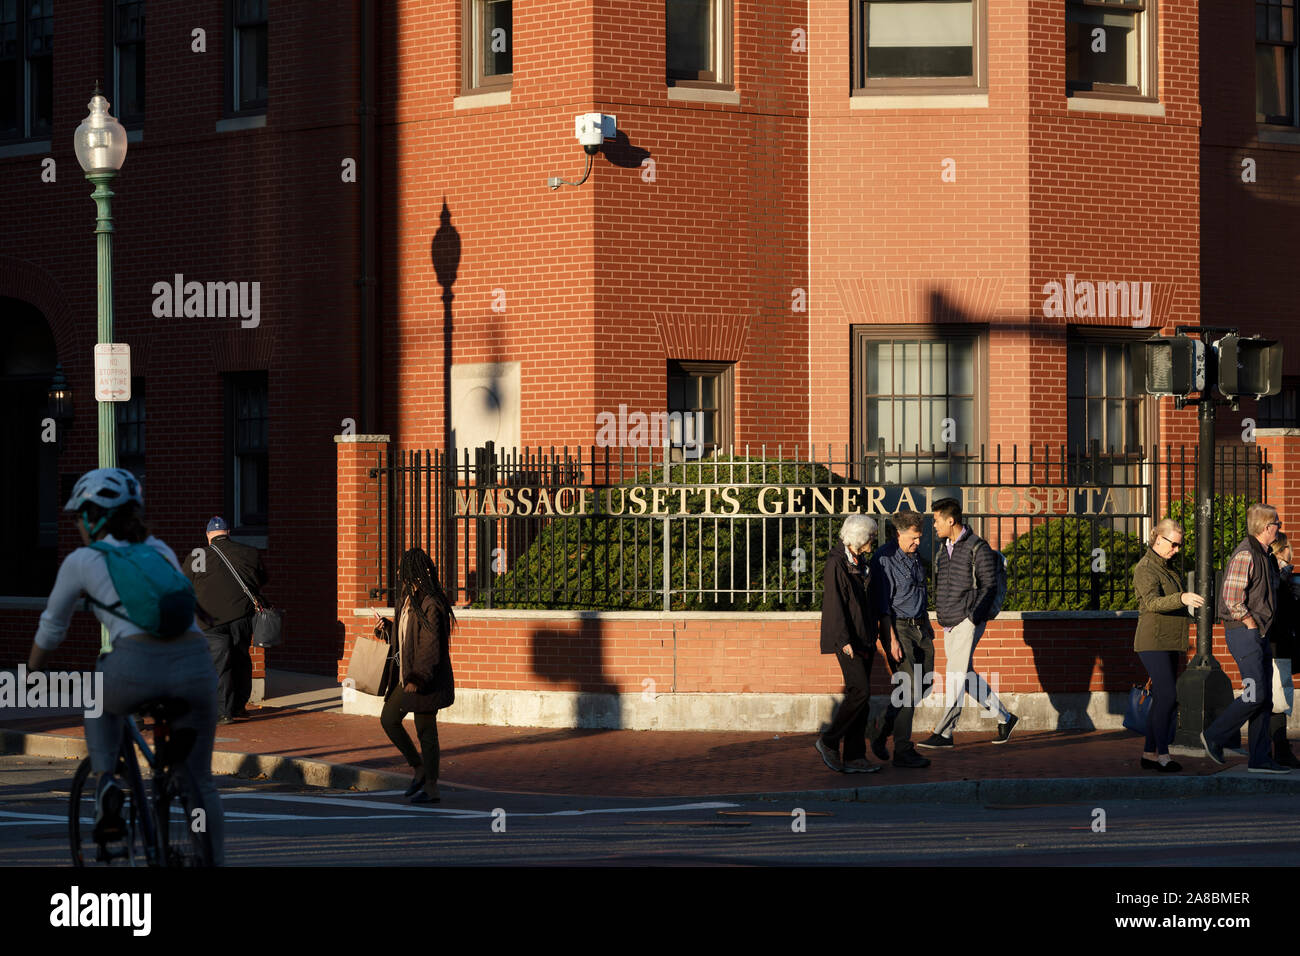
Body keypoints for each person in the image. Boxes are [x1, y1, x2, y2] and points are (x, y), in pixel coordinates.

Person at [25, 468, 224, 864]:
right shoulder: (160, 550)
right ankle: (212, 858)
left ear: (89, 517)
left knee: (99, 688)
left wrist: (32, 674)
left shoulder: (82, 560)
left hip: (134, 668)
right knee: (200, 780)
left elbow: (51, 628)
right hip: (198, 667)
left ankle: (105, 782)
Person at [918, 497, 1018, 748]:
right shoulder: (944, 549)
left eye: (937, 520)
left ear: (951, 520)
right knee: (964, 674)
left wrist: (973, 617)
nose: (934, 525)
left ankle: (944, 732)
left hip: (967, 620)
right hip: (949, 620)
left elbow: (989, 585)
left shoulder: (977, 547)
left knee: (954, 675)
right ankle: (1005, 717)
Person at [1201, 503, 1292, 773]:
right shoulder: (1246, 554)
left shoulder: (1264, 554)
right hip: (1244, 633)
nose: (1280, 527)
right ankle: (1214, 735)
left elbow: (1266, 590)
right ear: (1266, 527)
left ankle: (1260, 759)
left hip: (1259, 634)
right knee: (1255, 694)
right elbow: (1231, 598)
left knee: (1264, 699)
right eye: (1277, 523)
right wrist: (1250, 622)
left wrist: (1284, 574)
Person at [376, 548, 456, 803]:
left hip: (425, 678)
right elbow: (406, 638)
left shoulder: (431, 602)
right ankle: (419, 768)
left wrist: (418, 678)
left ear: (414, 571)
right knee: (389, 718)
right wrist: (386, 627)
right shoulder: (407, 598)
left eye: (403, 568)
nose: (399, 572)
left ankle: (431, 786)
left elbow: (430, 645)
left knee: (426, 730)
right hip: (406, 675)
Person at [1131, 518, 1204, 772]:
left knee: (1163, 697)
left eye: (1179, 545)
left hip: (1171, 640)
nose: (1177, 550)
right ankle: (1163, 754)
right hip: (1153, 640)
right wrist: (1182, 597)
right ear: (1159, 539)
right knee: (1168, 697)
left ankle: (1149, 754)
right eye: (1173, 544)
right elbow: (1151, 603)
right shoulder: (1145, 568)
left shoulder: (1168, 567)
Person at [183, 516, 268, 723]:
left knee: (220, 664)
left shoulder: (199, 555)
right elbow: (262, 580)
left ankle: (223, 711)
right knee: (241, 659)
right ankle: (239, 706)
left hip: (210, 622)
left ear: (208, 535)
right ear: (228, 533)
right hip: (242, 618)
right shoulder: (249, 553)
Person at [816, 514, 881, 773]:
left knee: (862, 699)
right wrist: (843, 640)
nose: (873, 540)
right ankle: (829, 740)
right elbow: (834, 604)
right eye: (871, 536)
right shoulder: (836, 563)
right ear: (860, 538)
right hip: (848, 640)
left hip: (864, 636)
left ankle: (855, 756)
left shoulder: (859, 560)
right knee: (860, 691)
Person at [868, 510, 933, 769]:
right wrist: (891, 639)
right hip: (899, 628)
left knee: (924, 684)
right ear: (899, 533)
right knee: (908, 688)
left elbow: (920, 589)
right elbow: (882, 605)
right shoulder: (884, 559)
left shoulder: (914, 556)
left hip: (920, 628)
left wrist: (926, 621)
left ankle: (880, 730)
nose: (918, 542)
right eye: (914, 537)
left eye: (920, 537)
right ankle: (903, 750)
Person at [1267, 534, 1299, 767]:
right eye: (1288, 547)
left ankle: (1278, 748)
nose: (1292, 551)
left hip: (1279, 642)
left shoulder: (1281, 575)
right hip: (1277, 643)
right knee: (1279, 696)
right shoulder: (1278, 576)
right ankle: (1280, 749)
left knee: (1278, 696)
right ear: (1281, 551)